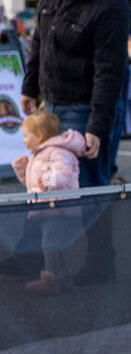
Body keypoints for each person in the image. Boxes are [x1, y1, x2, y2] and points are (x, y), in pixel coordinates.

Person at [20, 0, 128, 189]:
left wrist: (96, 128)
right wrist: (29, 87)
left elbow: (109, 72)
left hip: (83, 110)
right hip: (51, 105)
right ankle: (58, 230)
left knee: (86, 189)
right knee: (45, 184)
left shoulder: (110, 5)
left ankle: (92, 231)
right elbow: (40, 41)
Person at [11, 110, 86, 295]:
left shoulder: (57, 152)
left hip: (58, 207)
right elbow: (33, 185)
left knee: (50, 244)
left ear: (39, 136)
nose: (23, 140)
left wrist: (46, 181)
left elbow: (63, 174)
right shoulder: (40, 154)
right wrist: (22, 169)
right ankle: (64, 280)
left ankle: (51, 280)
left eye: (26, 136)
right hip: (48, 208)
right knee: (57, 245)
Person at [94, 0, 131, 183]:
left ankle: (96, 171)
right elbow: (126, 22)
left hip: (88, 60)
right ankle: (107, 170)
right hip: (115, 59)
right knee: (114, 115)